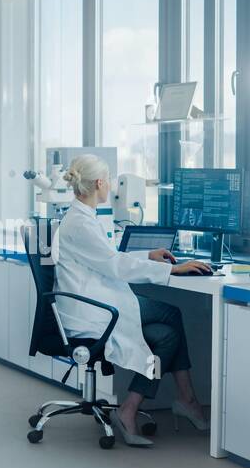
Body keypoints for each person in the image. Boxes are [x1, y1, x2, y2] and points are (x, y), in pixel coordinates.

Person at [53, 154, 211, 447]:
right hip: (94, 310)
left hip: (96, 301)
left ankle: (133, 409)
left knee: (167, 335)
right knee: (171, 314)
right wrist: (170, 268)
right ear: (100, 183)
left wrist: (147, 256)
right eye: (109, 180)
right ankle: (186, 401)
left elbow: (109, 259)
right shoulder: (82, 224)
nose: (111, 185)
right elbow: (114, 266)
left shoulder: (82, 218)